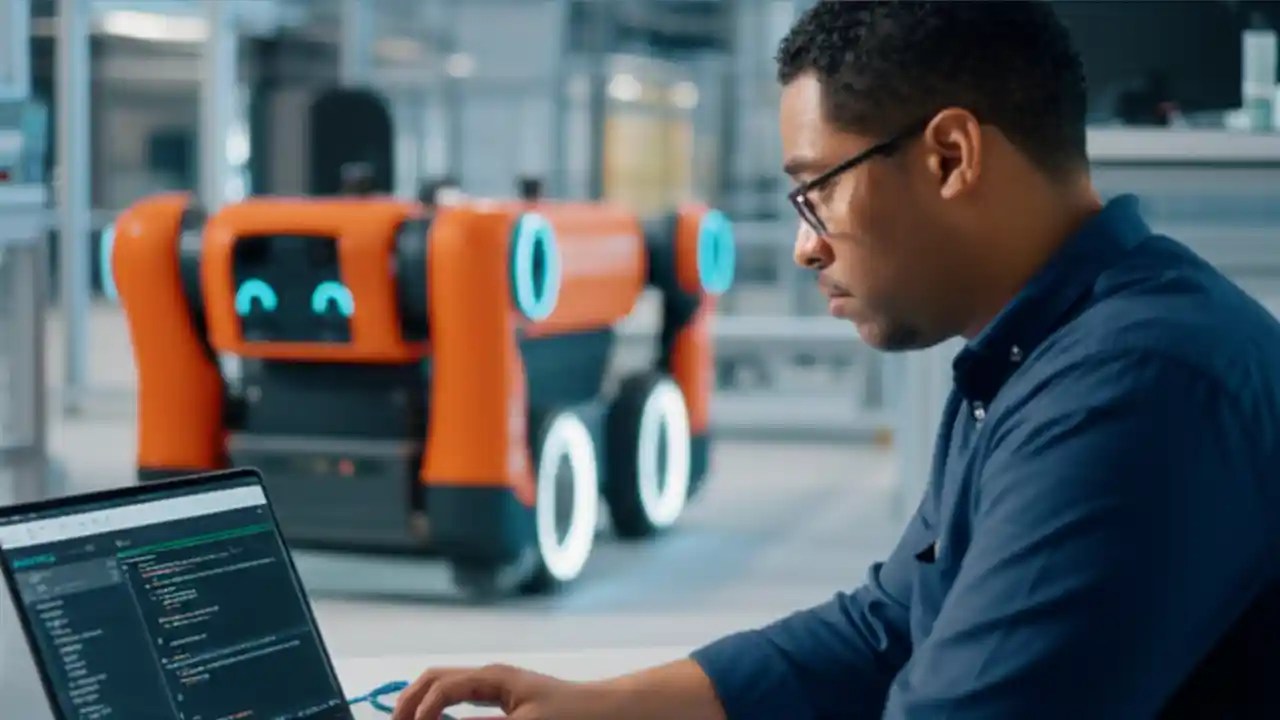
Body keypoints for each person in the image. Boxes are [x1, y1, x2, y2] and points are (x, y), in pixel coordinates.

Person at [393, 2, 1280, 718]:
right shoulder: (1036, 356)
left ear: (951, 157)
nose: (805, 246)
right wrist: (604, 706)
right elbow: (890, 628)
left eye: (816, 189)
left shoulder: (1136, 390)